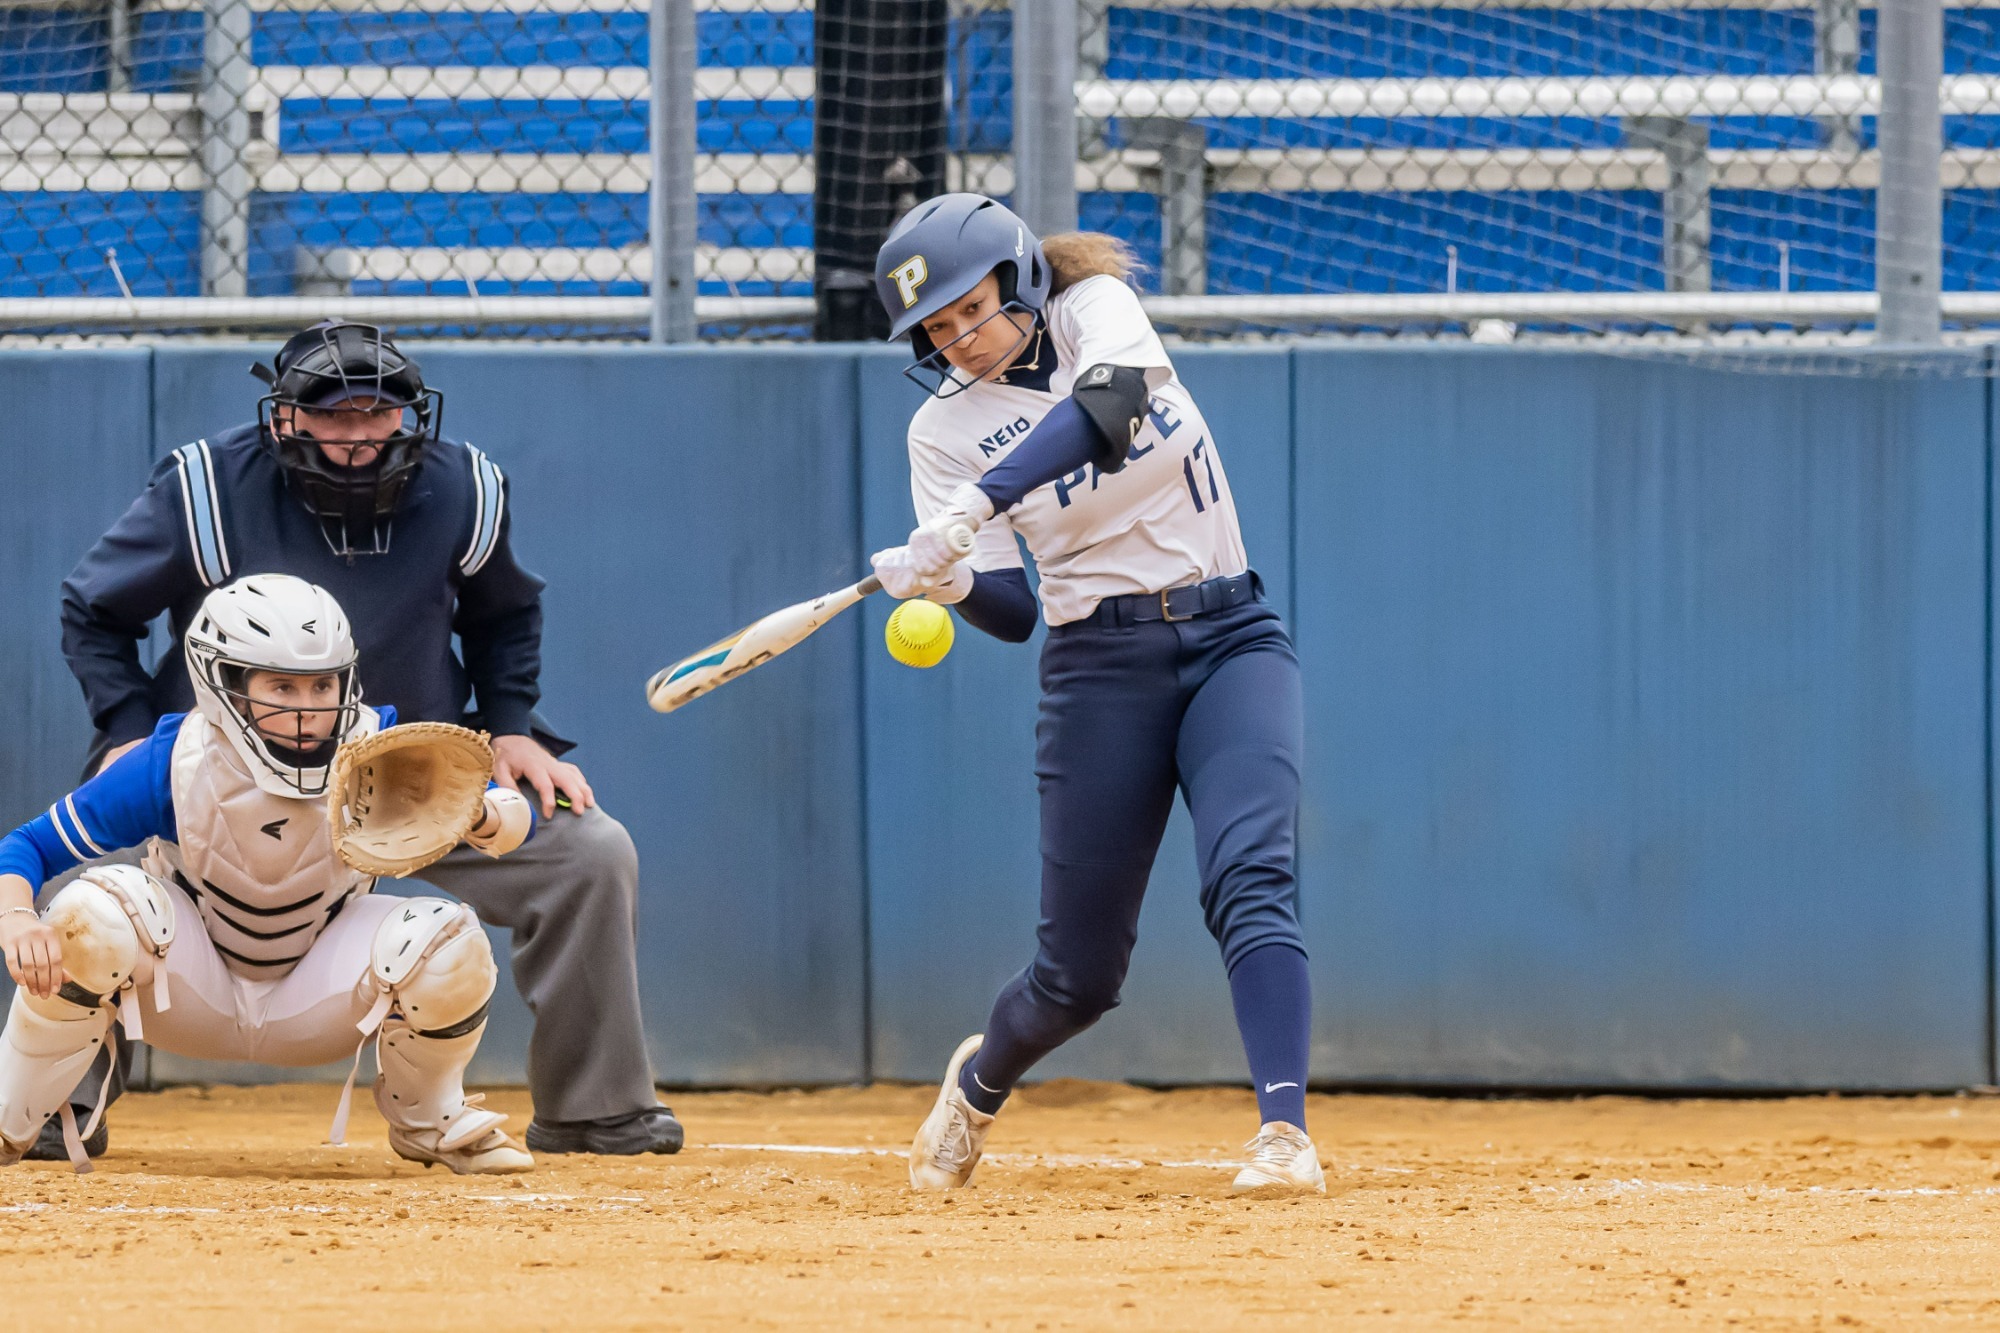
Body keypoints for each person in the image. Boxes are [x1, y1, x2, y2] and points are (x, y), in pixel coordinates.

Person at [46, 321, 679, 1162]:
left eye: (376, 415)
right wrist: (125, 734)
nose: (356, 436)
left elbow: (505, 616)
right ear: (284, 419)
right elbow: (94, 611)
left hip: (414, 783)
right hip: (229, 790)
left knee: (591, 853)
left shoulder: (465, 487)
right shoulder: (204, 490)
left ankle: (596, 1108)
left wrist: (513, 728)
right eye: (332, 416)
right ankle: (59, 1102)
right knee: (96, 888)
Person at [868, 194, 1322, 1194]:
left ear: (1021, 282)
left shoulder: (1093, 309)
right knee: (1076, 978)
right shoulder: (940, 434)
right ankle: (978, 1083)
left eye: (969, 310)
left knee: (1251, 874)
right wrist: (949, 577)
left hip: (1229, 633)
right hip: (1097, 672)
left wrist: (979, 501)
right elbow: (1011, 611)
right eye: (935, 330)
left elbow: (1108, 410)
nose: (958, 340)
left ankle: (1283, 1132)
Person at [0, 575, 534, 1174]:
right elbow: (24, 847)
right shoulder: (173, 761)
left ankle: (430, 1120)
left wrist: (482, 813)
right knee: (87, 913)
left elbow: (518, 821)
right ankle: (6, 1115)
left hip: (319, 998)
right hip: (189, 994)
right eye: (281, 686)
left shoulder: (379, 748)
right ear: (223, 683)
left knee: (450, 942)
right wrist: (17, 917)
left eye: (322, 684)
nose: (308, 709)